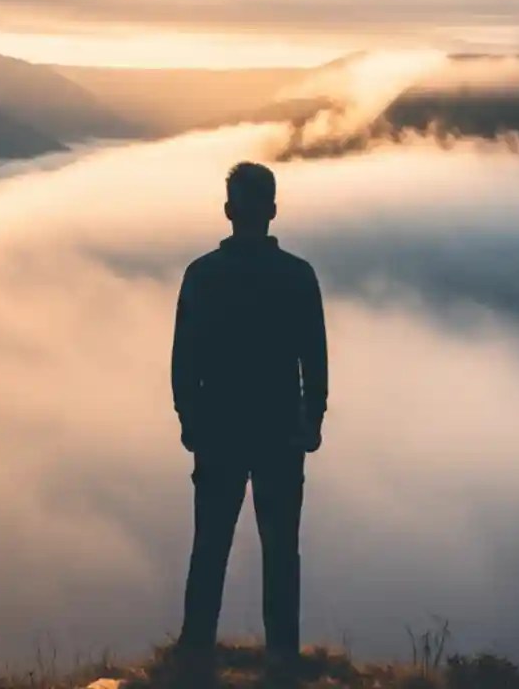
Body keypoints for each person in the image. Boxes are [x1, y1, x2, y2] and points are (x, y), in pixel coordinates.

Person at [171, 161, 328, 677]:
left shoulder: (202, 275)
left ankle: (195, 652)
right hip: (281, 433)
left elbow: (183, 360)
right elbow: (315, 359)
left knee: (209, 545)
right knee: (282, 550)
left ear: (228, 211)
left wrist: (190, 422)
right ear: (273, 211)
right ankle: (281, 657)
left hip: (218, 433)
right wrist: (312, 422)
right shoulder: (299, 276)